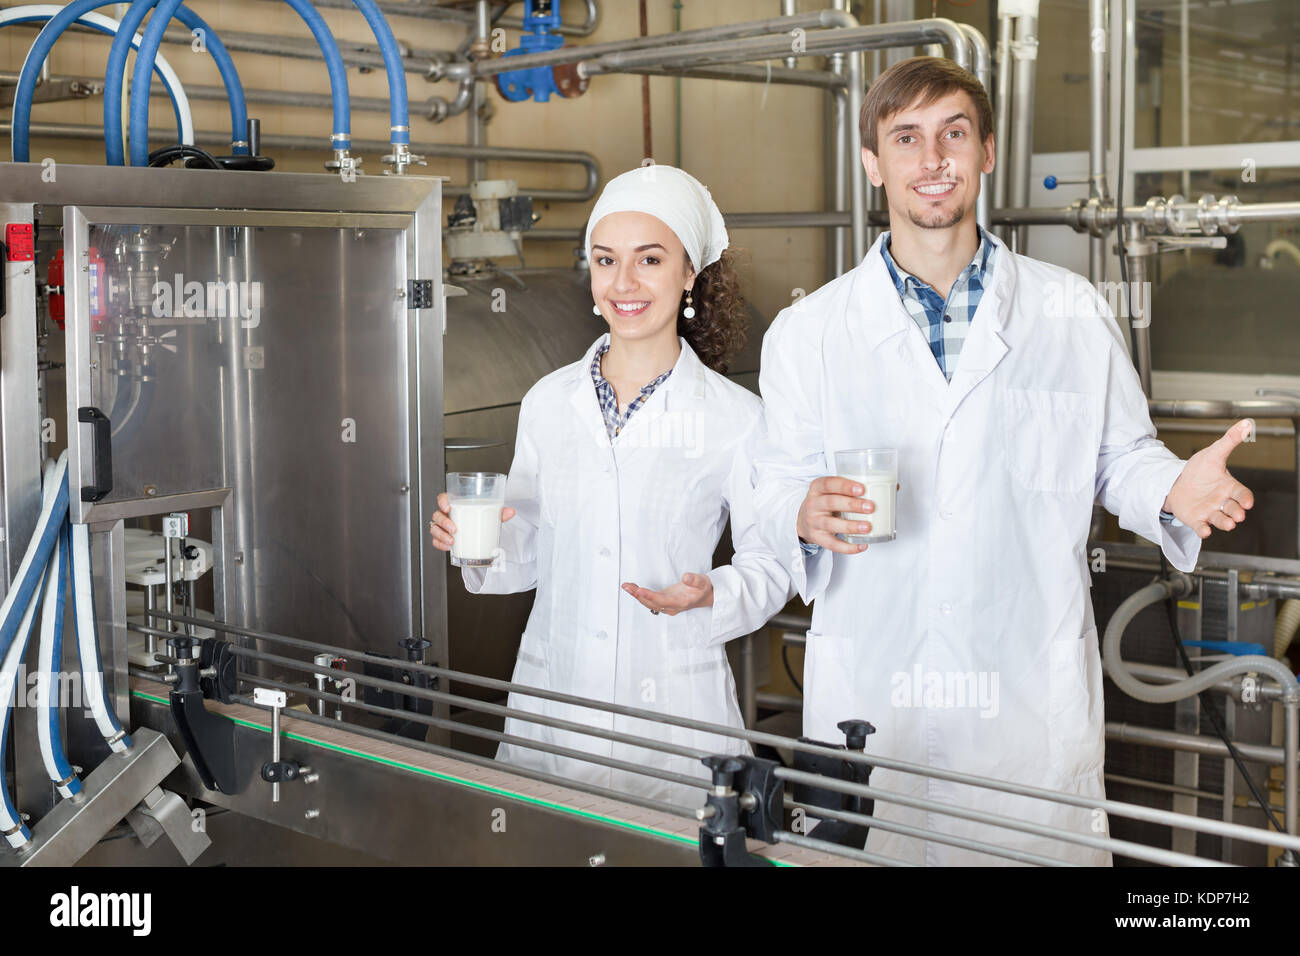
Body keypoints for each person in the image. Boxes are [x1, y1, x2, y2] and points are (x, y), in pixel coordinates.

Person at [751, 56, 1256, 865]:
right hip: (877, 696)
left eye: (954, 133)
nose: (933, 159)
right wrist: (798, 511)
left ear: (986, 150)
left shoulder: (1070, 309)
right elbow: (773, 488)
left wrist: (1171, 488)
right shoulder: (809, 333)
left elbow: (1119, 454)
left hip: (1025, 700)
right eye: (906, 138)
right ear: (874, 163)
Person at [430, 164, 793, 809]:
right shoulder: (548, 401)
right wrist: (477, 542)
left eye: (649, 260)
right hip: (554, 703)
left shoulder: (736, 419)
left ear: (689, 274)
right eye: (605, 260)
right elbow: (531, 545)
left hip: (675, 722)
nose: (623, 283)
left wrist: (715, 592)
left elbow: (772, 564)